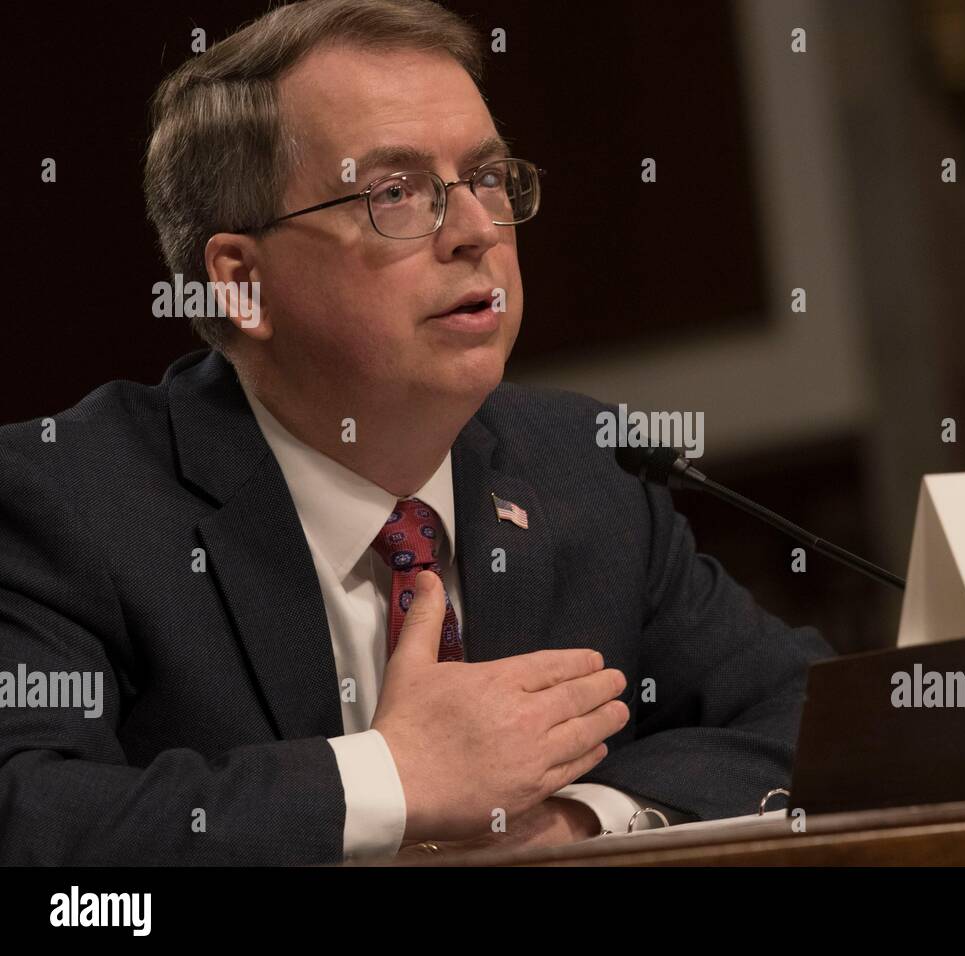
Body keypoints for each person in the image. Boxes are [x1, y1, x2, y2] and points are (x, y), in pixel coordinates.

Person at [0, 0, 832, 865]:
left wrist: (574, 823)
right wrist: (391, 782)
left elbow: (814, 713)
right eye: (395, 193)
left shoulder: (585, 467)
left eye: (487, 178)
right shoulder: (66, 504)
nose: (477, 232)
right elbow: (26, 813)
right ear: (242, 282)